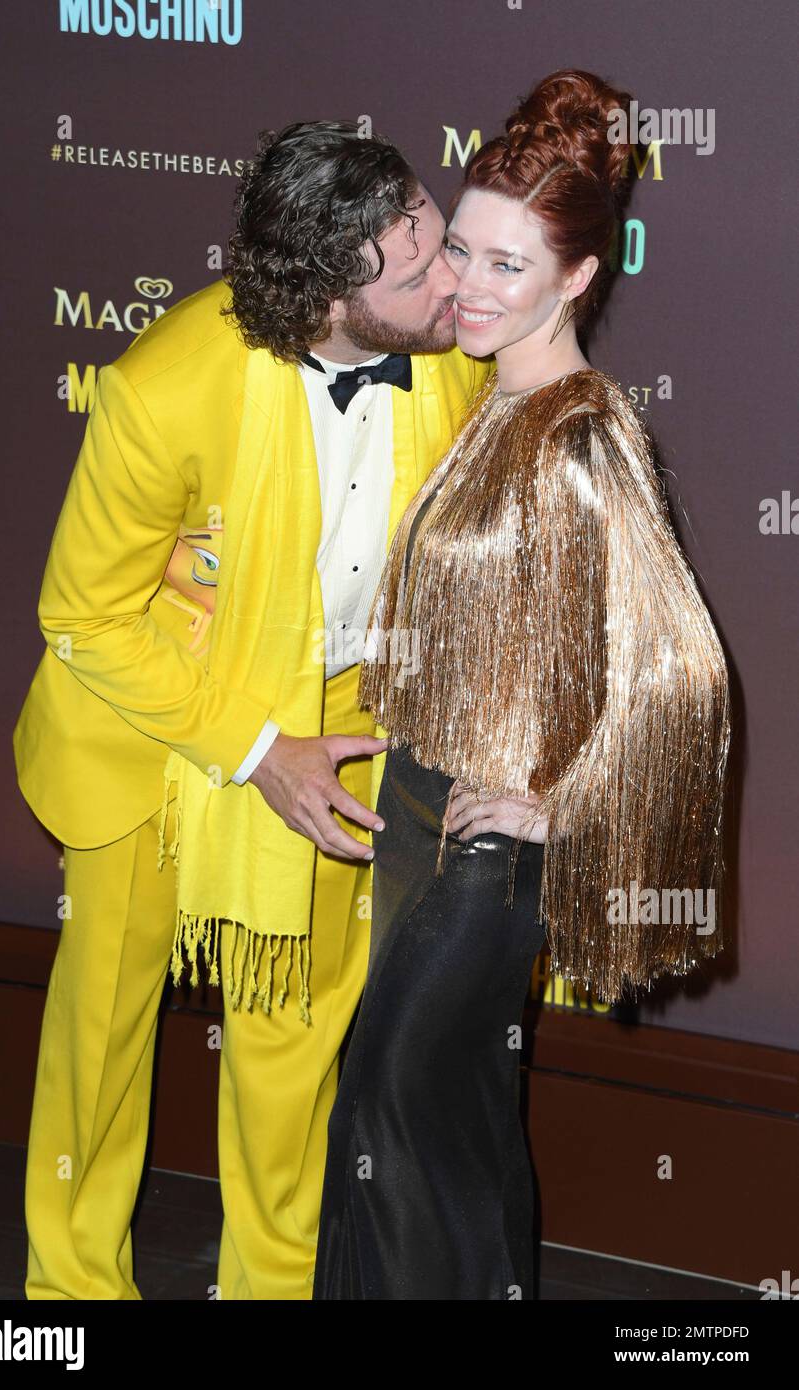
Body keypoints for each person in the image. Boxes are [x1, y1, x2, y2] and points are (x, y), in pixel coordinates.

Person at [13, 120, 493, 1301]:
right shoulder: (161, 390)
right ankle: (70, 1299)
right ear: (329, 295)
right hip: (143, 737)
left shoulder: (455, 353)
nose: (454, 281)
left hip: (334, 719)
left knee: (291, 1045)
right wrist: (254, 747)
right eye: (421, 266)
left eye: (438, 233)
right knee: (102, 1046)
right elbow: (81, 617)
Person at [312, 70, 732, 1301]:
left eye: (508, 266)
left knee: (396, 1111)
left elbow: (683, 668)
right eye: (458, 250)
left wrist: (562, 806)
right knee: (447, 1125)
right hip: (418, 816)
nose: (467, 285)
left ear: (576, 280)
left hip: (486, 860)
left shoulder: (579, 428)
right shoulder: (487, 405)